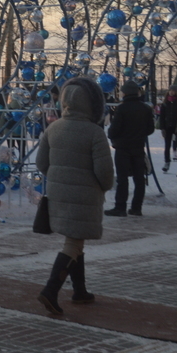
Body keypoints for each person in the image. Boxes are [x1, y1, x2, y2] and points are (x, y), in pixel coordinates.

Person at [36, 76, 114, 315]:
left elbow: (41, 163)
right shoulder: (94, 132)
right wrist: (104, 186)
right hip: (85, 195)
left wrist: (60, 177)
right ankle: (50, 290)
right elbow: (104, 172)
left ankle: (80, 291)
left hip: (58, 192)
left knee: (74, 239)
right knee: (73, 242)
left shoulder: (53, 128)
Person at [104, 80, 154, 217]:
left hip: (123, 148)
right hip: (138, 147)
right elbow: (150, 129)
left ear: (125, 93)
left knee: (123, 178)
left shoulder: (122, 108)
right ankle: (137, 207)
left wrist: (116, 137)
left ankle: (120, 207)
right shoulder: (145, 108)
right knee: (139, 178)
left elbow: (113, 130)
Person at [157, 88, 177, 172]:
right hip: (167, 127)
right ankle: (167, 162)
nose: (171, 92)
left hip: (176, 127)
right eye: (170, 91)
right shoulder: (165, 104)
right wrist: (162, 128)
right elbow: (162, 117)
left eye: (173, 91)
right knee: (167, 146)